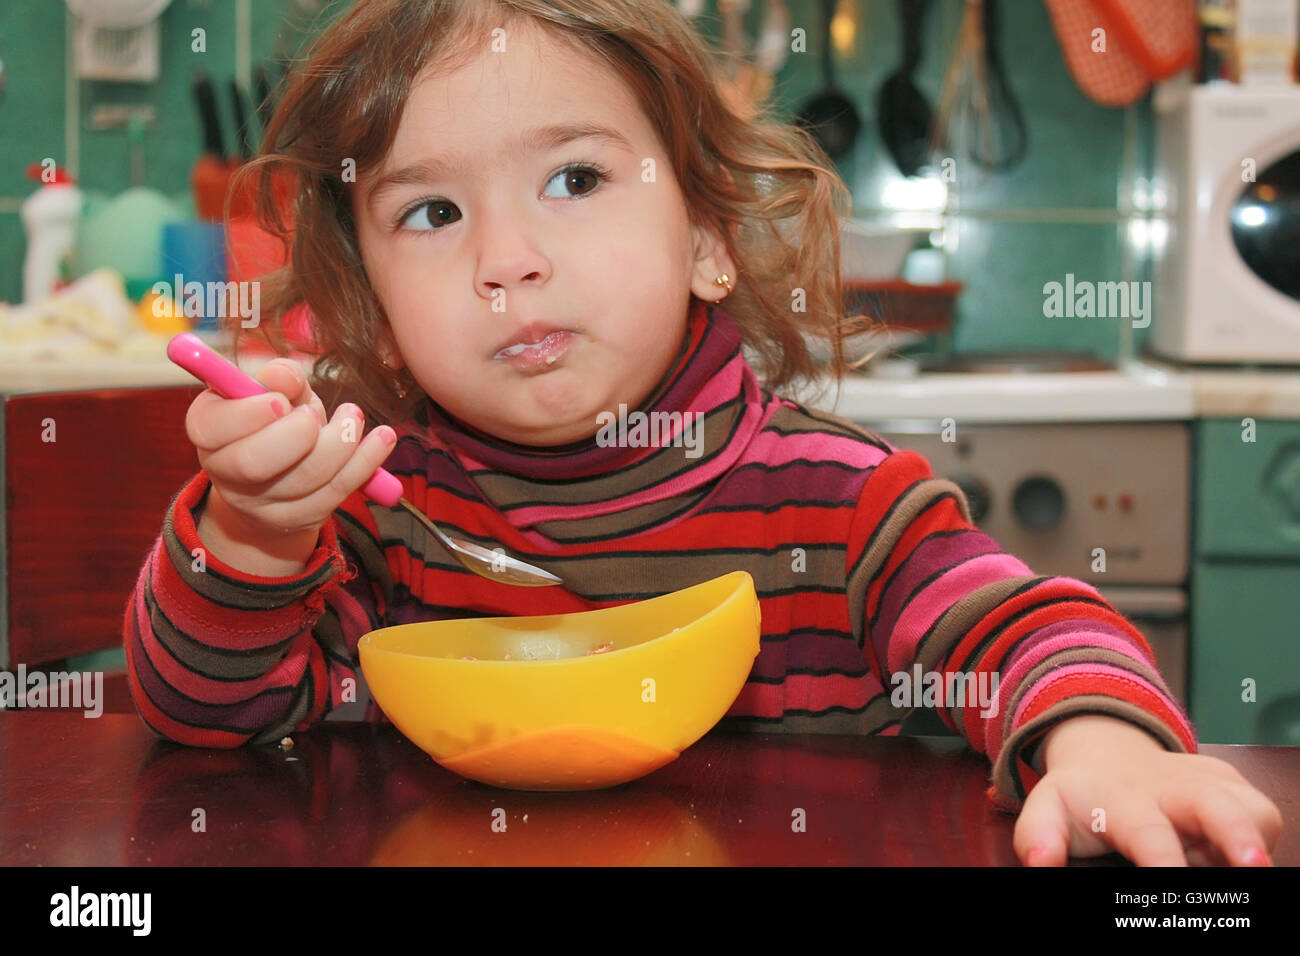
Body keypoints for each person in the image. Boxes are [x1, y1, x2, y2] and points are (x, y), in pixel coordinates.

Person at [124, 0, 1280, 867]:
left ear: (706, 238)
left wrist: (1095, 743)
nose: (506, 260)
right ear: (371, 303)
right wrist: (258, 534)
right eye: (432, 212)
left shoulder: (839, 503)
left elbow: (1028, 628)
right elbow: (207, 716)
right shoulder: (382, 515)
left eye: (574, 177)